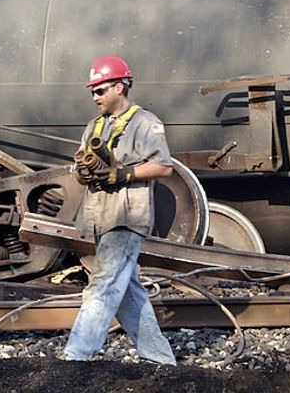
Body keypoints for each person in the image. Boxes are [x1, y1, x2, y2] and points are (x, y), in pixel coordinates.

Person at [64, 55, 176, 364]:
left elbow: (164, 166)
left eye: (100, 90)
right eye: (93, 91)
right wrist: (83, 172)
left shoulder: (145, 122)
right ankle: (161, 360)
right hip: (100, 218)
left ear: (120, 86)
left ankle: (76, 357)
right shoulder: (95, 126)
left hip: (126, 218)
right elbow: (79, 167)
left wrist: (124, 174)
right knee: (128, 293)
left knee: (102, 285)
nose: (95, 96)